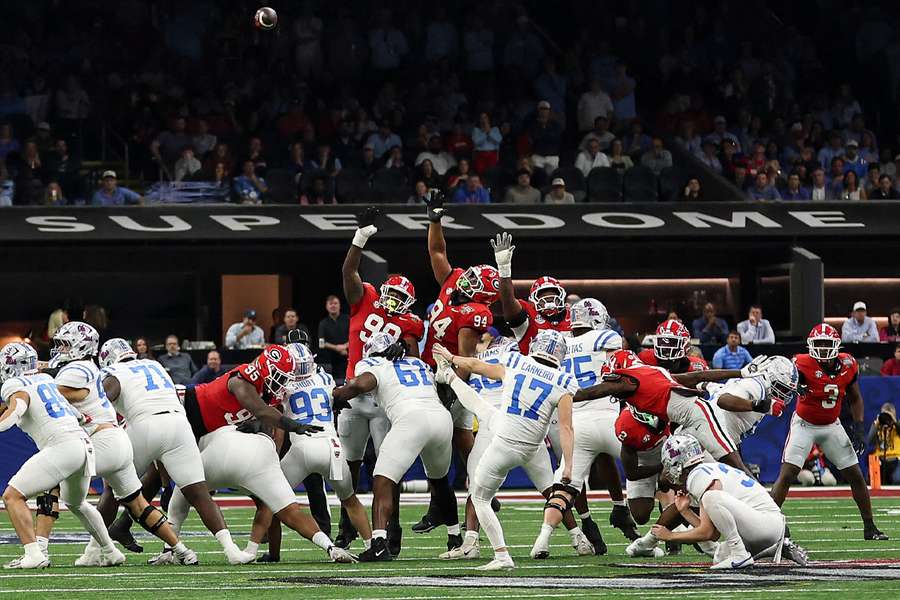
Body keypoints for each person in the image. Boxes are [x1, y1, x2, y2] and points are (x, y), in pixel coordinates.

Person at [171, 345, 354, 562]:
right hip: (187, 409)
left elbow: (267, 421)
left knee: (186, 490)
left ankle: (322, 548)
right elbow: (261, 412)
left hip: (220, 439)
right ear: (265, 368)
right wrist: (294, 426)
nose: (282, 382)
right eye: (279, 376)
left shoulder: (271, 395)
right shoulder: (243, 377)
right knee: (166, 479)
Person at [45, 323, 196, 567]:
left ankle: (39, 549)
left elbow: (59, 392)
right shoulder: (92, 370)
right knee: (137, 503)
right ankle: (182, 550)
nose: (60, 348)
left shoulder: (84, 370)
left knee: (52, 484)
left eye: (64, 343)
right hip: (119, 442)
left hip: (102, 443)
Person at [432, 330, 580, 571]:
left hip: (505, 442)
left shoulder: (516, 362)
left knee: (480, 497)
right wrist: (568, 465)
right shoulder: (563, 382)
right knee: (486, 411)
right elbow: (566, 428)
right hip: (531, 444)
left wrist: (451, 356)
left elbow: (474, 364)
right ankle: (448, 376)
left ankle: (501, 555)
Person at [96, 339, 245, 565]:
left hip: (144, 425)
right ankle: (232, 550)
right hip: (178, 423)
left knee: (113, 487)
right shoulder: (154, 365)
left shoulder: (113, 371)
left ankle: (95, 550)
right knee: (199, 493)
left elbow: (108, 395)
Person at [336, 207, 425, 554]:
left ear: (409, 304)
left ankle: (390, 531)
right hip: (353, 394)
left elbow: (415, 360)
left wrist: (404, 349)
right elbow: (348, 271)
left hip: (384, 398)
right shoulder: (365, 299)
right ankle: (346, 527)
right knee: (348, 466)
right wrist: (360, 238)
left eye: (402, 299)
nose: (393, 302)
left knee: (388, 468)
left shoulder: (410, 324)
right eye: (392, 294)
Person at [414, 192, 498, 538]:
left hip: (450, 377)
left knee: (444, 442)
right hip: (432, 373)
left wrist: (448, 388)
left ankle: (478, 489)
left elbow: (466, 360)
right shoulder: (452, 284)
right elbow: (437, 252)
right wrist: (435, 220)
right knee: (455, 441)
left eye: (478, 282)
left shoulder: (475, 312)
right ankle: (477, 490)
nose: (469, 279)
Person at [333, 333, 457, 562]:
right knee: (440, 481)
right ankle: (456, 537)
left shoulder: (373, 366)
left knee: (382, 480)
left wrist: (337, 394)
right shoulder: (418, 363)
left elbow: (359, 385)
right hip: (441, 417)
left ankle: (378, 543)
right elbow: (444, 388)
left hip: (411, 418)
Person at [0, 343, 124, 569]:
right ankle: (110, 550)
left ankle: (33, 554)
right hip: (84, 446)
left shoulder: (14, 384)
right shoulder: (46, 380)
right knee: (77, 503)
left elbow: (15, 411)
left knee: (12, 496)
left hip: (62, 446)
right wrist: (83, 419)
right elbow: (75, 413)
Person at [530, 299, 640, 555]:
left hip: (576, 424)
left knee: (564, 484)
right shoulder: (607, 337)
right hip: (610, 418)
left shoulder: (557, 341)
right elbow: (622, 370)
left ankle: (543, 539)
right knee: (649, 469)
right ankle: (663, 533)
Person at [253, 343, 373, 560]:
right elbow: (337, 396)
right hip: (331, 447)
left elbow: (273, 416)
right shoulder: (325, 378)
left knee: (271, 500)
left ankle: (269, 553)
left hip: (302, 448)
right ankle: (372, 544)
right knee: (350, 500)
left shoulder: (284, 385)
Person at [770, 324, 888, 541]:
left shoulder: (848, 364)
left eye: (827, 344)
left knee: (855, 475)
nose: (823, 348)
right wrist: (796, 385)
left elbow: (855, 398)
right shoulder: (801, 363)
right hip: (804, 425)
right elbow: (781, 381)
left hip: (832, 425)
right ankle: (766, 524)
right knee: (787, 474)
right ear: (810, 346)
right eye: (819, 344)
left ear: (836, 346)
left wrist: (859, 427)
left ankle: (870, 527)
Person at [650, 435, 808, 569]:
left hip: (765, 523)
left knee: (712, 498)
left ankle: (740, 555)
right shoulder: (707, 469)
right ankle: (772, 548)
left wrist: (670, 536)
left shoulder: (697, 477)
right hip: (766, 526)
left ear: (678, 462)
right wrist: (685, 511)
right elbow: (713, 533)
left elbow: (706, 532)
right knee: (719, 556)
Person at [638, 319, 709, 373]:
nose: (666, 347)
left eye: (672, 342)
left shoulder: (696, 365)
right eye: (663, 342)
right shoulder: (645, 357)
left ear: (684, 344)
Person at [317, 295, 349, 379]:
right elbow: (321, 343)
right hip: (330, 359)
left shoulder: (348, 319)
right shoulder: (323, 323)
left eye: (335, 303)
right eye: (331, 304)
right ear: (327, 306)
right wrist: (336, 348)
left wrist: (344, 346)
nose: (333, 306)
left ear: (339, 305)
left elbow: (355, 336)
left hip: (347, 355)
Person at [868, 403, 900, 484]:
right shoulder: (878, 427)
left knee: (896, 480)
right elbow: (869, 441)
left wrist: (894, 421)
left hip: (896, 460)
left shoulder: (897, 426)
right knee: (871, 482)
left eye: (889, 414)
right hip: (880, 460)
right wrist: (877, 423)